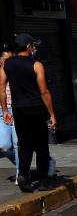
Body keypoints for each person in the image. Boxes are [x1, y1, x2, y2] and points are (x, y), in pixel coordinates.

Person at [0, 34, 56, 193]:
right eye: (33, 45)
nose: (34, 48)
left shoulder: (7, 64)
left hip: (19, 110)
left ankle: (23, 176)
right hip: (36, 109)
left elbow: (2, 89)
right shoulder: (36, 65)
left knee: (24, 145)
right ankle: (43, 180)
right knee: (41, 146)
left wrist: (5, 110)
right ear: (28, 47)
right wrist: (52, 114)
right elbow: (44, 91)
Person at [0, 44, 18, 178]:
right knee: (4, 146)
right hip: (1, 113)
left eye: (10, 59)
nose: (8, 62)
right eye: (5, 59)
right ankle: (23, 165)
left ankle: (21, 172)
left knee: (18, 144)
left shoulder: (16, 74)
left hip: (16, 110)